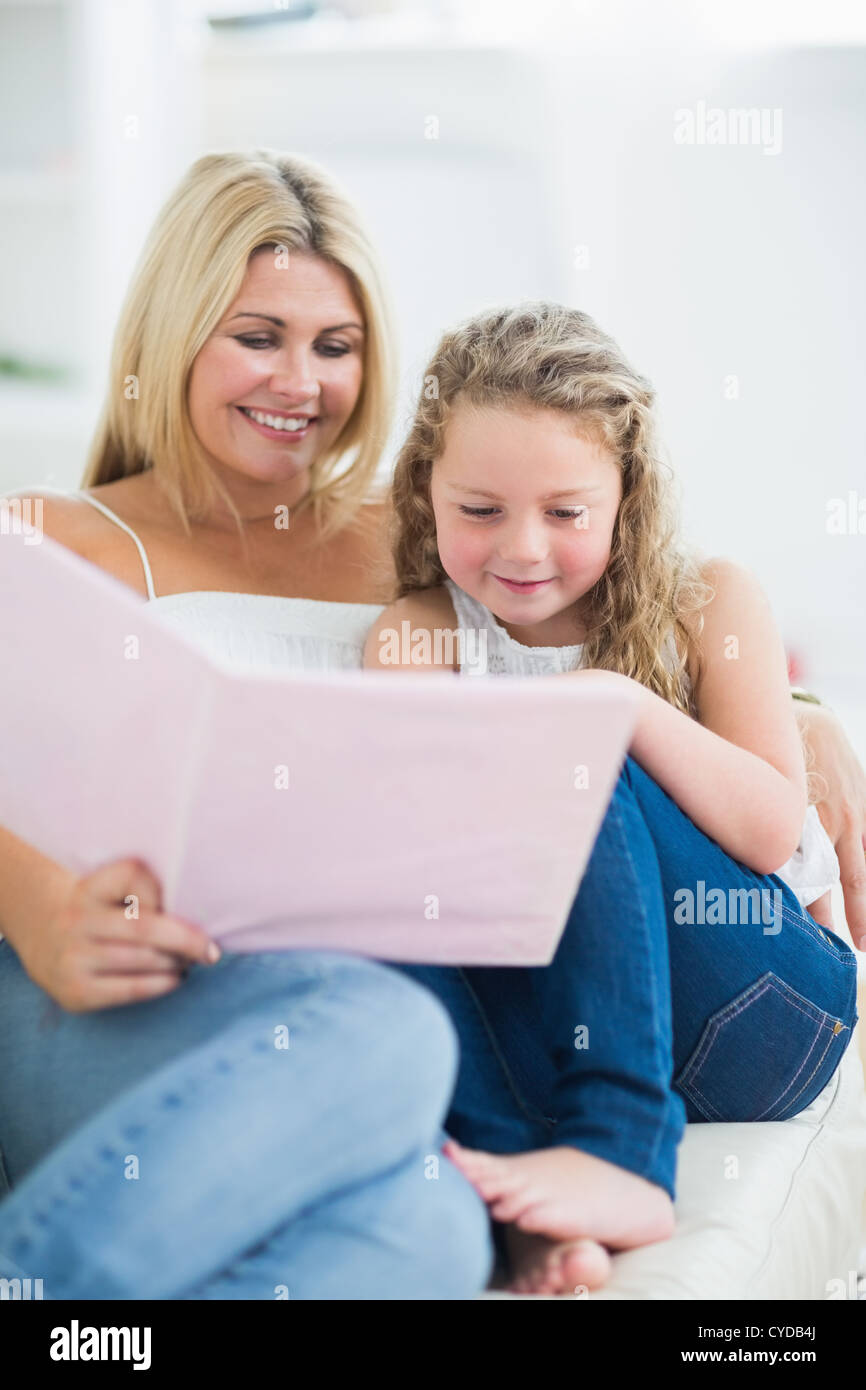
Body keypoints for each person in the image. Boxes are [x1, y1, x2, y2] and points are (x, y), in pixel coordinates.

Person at [0, 149, 493, 1300]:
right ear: (176, 332)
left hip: (337, 1021)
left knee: (431, 1234)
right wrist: (37, 911)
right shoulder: (47, 535)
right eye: (258, 335)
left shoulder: (413, 535)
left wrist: (802, 718)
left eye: (336, 345)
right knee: (394, 1033)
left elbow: (613, 612)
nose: (301, 381)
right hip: (97, 997)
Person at [363, 300, 862, 1295]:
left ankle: (621, 1147)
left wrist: (610, 705)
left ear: (625, 496)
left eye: (564, 511)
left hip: (756, 1005)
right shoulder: (414, 636)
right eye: (478, 509)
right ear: (425, 492)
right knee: (377, 905)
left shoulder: (706, 600)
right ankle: (532, 1217)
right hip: (547, 1035)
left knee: (570, 746)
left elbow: (768, 828)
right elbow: (420, 872)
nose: (522, 547)